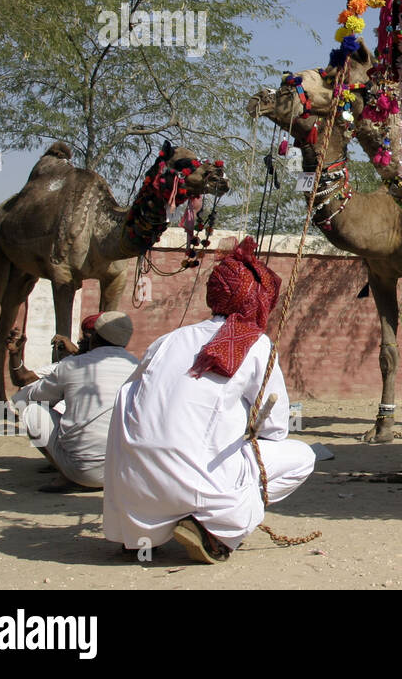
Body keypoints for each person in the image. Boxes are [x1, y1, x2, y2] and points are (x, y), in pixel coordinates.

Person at [103, 237, 315, 564]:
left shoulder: (167, 341)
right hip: (197, 486)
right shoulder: (255, 345)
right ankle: (212, 528)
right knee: (303, 456)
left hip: (137, 496)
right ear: (259, 301)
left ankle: (140, 536)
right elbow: (275, 430)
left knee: (135, 403)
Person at [10, 311, 139, 493]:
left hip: (82, 472)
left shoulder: (71, 365)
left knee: (31, 409)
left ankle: (66, 476)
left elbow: (32, 393)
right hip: (123, 472)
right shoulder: (138, 367)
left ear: (94, 338)